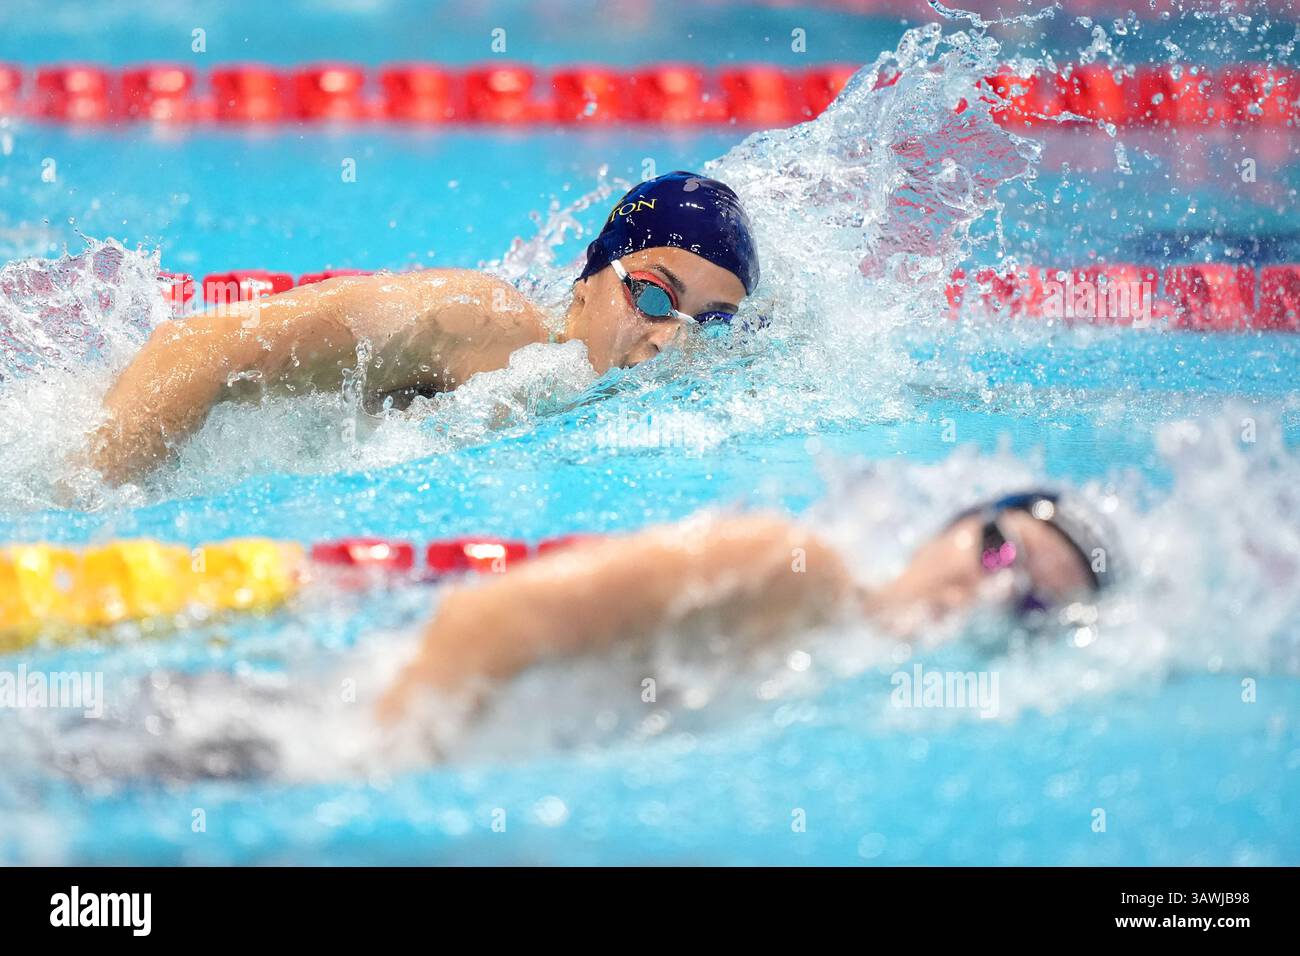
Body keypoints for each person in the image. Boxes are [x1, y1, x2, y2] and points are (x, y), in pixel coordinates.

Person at [88, 171, 760, 484]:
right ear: (588, 282)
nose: (671, 338)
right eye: (651, 296)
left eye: (711, 324)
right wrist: (84, 511)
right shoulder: (485, 324)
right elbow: (191, 346)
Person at [377, 489, 1114, 721]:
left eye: (1031, 606)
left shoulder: (850, 690)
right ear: (955, 523)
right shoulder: (793, 573)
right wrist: (382, 772)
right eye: (1000, 551)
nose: (990, 588)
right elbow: (484, 621)